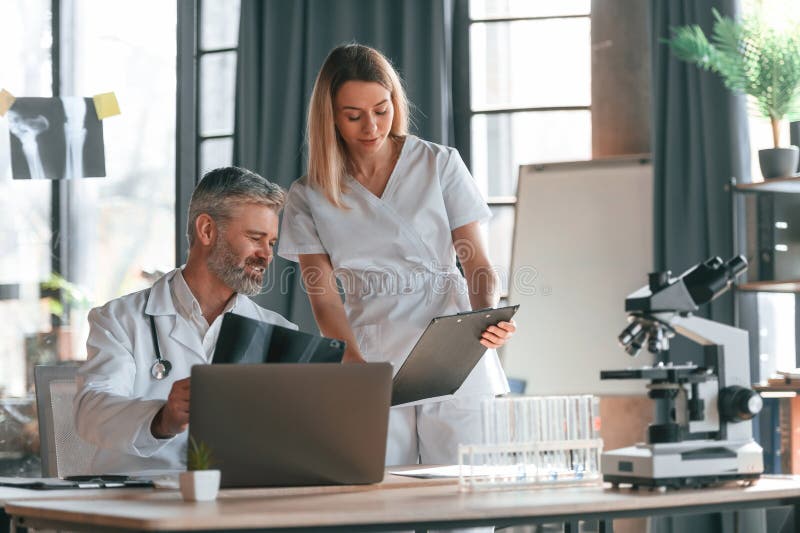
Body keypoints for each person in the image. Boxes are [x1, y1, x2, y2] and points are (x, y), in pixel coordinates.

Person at [278, 44, 516, 466]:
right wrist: (351, 359)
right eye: (353, 115)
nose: (371, 126)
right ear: (329, 116)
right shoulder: (308, 195)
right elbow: (324, 295)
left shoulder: (438, 164)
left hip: (453, 344)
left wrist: (486, 319)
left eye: (381, 109)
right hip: (371, 353)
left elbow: (477, 264)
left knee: (466, 501)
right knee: (384, 500)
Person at [74, 166, 296, 474]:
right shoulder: (119, 320)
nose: (266, 255)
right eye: (255, 238)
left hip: (236, 500)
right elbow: (91, 411)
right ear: (206, 230)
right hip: (134, 500)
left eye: (271, 242)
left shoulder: (279, 333)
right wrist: (163, 418)